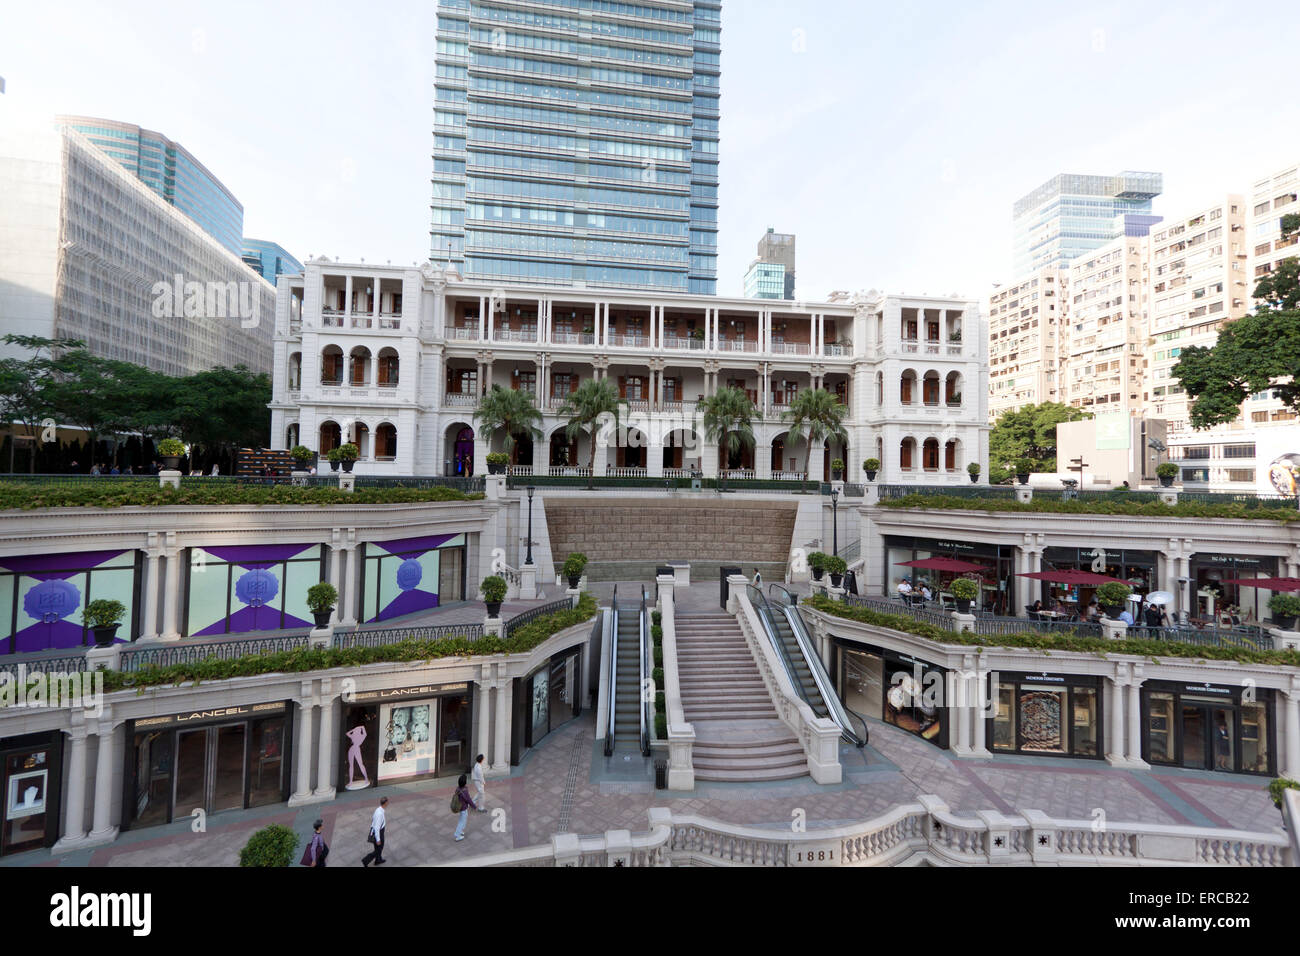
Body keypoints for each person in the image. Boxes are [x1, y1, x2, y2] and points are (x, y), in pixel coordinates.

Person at [362, 796, 388, 866]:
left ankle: (378, 860)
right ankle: (365, 860)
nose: (388, 803)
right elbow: (377, 828)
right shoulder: (380, 814)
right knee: (379, 849)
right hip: (379, 833)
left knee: (378, 848)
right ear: (385, 803)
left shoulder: (378, 809)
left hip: (378, 832)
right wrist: (378, 839)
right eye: (387, 802)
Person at [453, 774, 477, 841]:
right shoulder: (464, 791)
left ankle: (460, 831)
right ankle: (457, 835)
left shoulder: (458, 789)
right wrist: (474, 806)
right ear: (464, 783)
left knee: (463, 819)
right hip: (463, 808)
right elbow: (469, 800)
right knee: (462, 821)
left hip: (460, 807)